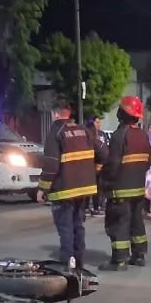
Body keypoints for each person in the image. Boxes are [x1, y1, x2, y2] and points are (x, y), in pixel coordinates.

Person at [38, 98, 103, 270]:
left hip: (64, 190)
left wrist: (42, 188)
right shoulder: (84, 130)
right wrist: (94, 170)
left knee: (65, 227)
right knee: (78, 225)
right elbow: (104, 152)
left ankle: (67, 262)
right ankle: (79, 260)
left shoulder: (56, 132)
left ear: (55, 113)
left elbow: (51, 163)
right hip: (85, 189)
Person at [100, 95, 151, 270]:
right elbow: (148, 162)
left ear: (122, 113)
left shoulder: (119, 135)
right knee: (137, 222)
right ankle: (139, 255)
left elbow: (113, 164)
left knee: (118, 224)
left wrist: (105, 182)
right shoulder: (143, 135)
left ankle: (119, 260)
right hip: (138, 190)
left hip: (120, 190)